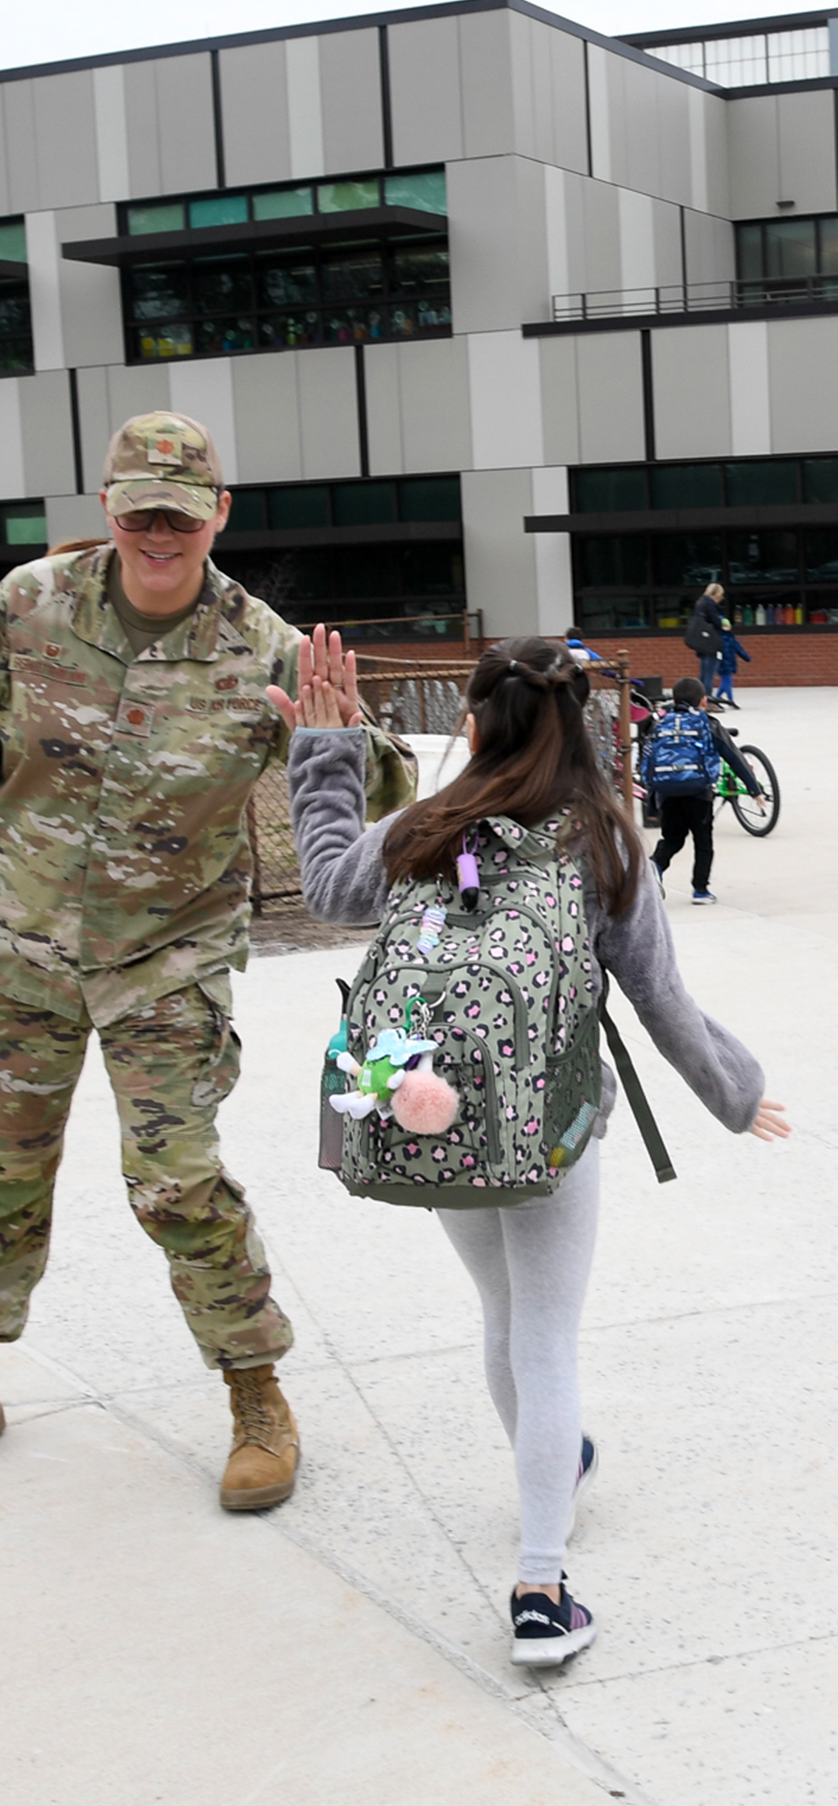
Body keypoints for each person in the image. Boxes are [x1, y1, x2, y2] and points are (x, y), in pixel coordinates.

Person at [0, 410, 414, 1511]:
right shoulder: (21, 612)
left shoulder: (268, 651)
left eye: (183, 517)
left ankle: (257, 1395)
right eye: (142, 512)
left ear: (220, 517)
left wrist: (349, 742)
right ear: (107, 508)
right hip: (10, 949)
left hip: (165, 959)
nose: (162, 534)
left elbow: (387, 813)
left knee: (177, 1182)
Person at [277, 629, 789, 1664]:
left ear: (473, 723)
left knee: (505, 1317)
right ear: (584, 727)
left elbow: (329, 887)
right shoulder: (603, 845)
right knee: (547, 1336)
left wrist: (327, 751)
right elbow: (662, 1004)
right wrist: (739, 1095)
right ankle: (542, 1585)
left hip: (435, 1122)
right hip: (552, 1131)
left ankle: (547, 1473)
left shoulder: (427, 827)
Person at [645, 677, 753, 906]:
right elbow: (733, 756)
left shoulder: (659, 722)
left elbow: (648, 760)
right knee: (703, 841)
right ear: (703, 701)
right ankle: (700, 890)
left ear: (673, 700)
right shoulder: (708, 723)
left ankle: (654, 866)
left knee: (672, 838)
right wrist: (754, 789)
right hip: (699, 793)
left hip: (667, 791)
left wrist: (651, 802)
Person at [684, 582, 725, 697]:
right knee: (709, 675)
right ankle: (706, 700)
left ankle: (697, 698)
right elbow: (716, 622)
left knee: (703, 673)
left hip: (701, 643)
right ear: (717, 594)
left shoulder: (700, 603)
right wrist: (722, 622)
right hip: (710, 644)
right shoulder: (710, 605)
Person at [712, 626, 750, 708]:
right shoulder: (721, 638)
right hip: (723, 663)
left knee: (725, 682)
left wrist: (746, 657)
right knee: (727, 682)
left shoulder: (729, 638)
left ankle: (716, 698)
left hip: (728, 663)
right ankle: (730, 700)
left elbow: (739, 649)